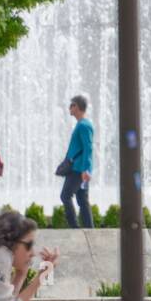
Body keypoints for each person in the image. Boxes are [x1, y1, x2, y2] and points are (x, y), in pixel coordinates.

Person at [61, 94, 95, 229]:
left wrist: (85, 169)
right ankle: (90, 230)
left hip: (78, 169)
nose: (69, 108)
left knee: (65, 196)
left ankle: (75, 228)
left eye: (71, 105)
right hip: (79, 168)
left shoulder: (84, 125)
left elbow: (88, 147)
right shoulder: (81, 124)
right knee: (82, 200)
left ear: (77, 107)